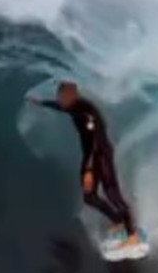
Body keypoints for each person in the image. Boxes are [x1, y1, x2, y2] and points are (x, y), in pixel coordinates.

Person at [27, 81, 139, 247]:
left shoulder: (87, 112)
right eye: (59, 97)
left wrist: (89, 167)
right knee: (90, 197)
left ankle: (132, 234)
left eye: (62, 97)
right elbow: (62, 107)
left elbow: (95, 139)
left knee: (112, 194)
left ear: (72, 96)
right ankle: (117, 220)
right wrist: (42, 103)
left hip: (100, 155)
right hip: (91, 156)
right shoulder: (73, 106)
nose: (60, 100)